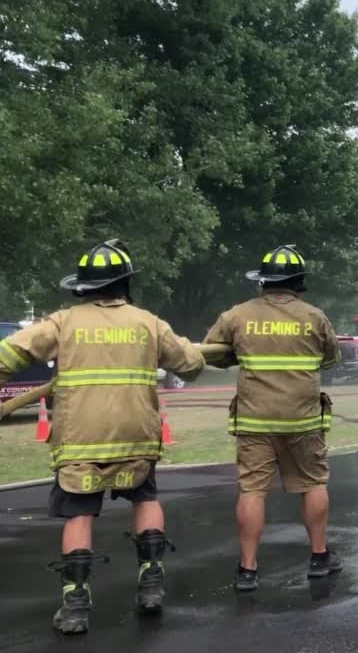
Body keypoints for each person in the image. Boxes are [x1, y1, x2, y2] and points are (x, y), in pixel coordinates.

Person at [0, 240, 204, 634]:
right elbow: (191, 365)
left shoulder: (61, 323)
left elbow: (6, 357)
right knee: (145, 498)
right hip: (136, 437)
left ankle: (76, 605)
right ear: (125, 284)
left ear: (82, 287)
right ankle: (151, 585)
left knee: (78, 514)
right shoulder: (149, 322)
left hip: (80, 440)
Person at [203, 245, 342, 593]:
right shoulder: (314, 317)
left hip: (254, 421)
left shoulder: (236, 315)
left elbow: (214, 355)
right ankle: (319, 557)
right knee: (313, 484)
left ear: (262, 281)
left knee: (252, 490)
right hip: (302, 421)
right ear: (298, 282)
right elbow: (330, 360)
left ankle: (247, 570)